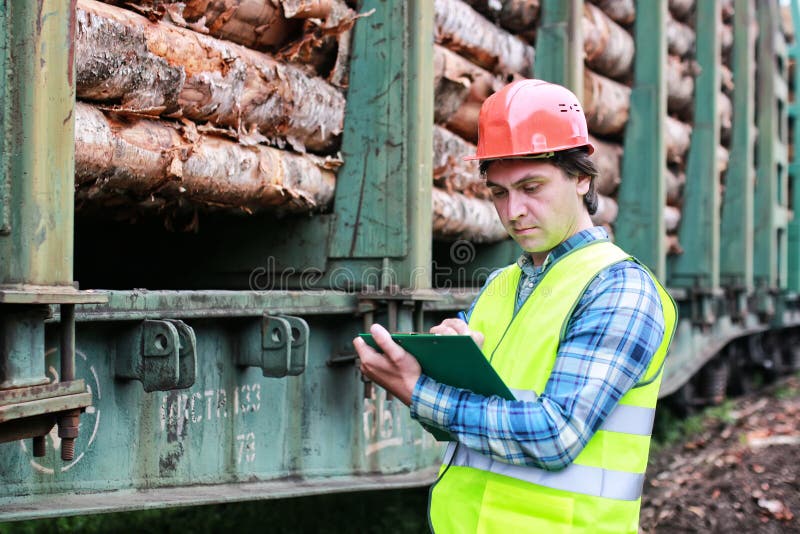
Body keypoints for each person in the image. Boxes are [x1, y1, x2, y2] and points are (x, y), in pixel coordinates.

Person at [352, 79, 677, 533]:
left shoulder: (619, 288)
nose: (514, 211)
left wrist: (419, 390)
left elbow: (556, 436)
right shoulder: (503, 285)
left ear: (582, 177)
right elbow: (462, 424)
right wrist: (444, 369)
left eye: (531, 186)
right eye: (499, 193)